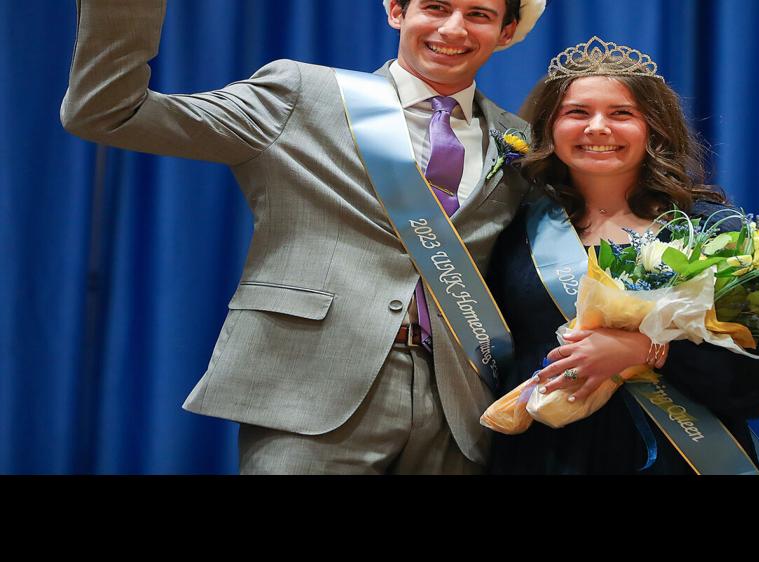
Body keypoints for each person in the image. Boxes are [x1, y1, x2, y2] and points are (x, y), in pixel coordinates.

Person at [60, 0, 545, 474]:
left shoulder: (520, 141)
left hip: (459, 408)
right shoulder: (302, 93)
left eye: (478, 14)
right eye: (436, 8)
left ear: (506, 32)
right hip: (309, 389)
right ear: (397, 11)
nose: (454, 28)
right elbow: (108, 112)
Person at [484, 38, 759, 475]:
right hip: (551, 453)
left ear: (654, 127)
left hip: (683, 455)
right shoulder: (514, 229)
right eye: (577, 113)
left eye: (621, 114)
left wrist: (646, 350)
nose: (597, 128)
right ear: (549, 126)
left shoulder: (710, 227)